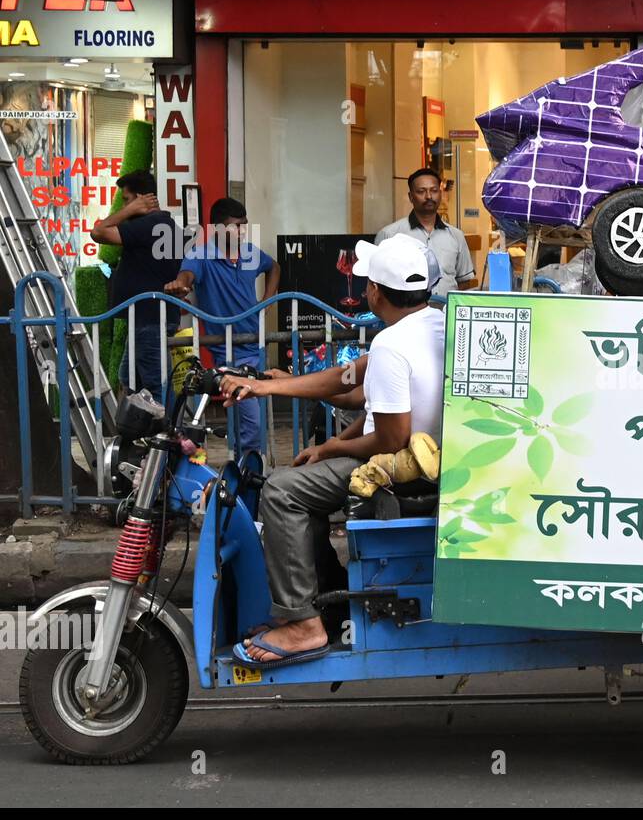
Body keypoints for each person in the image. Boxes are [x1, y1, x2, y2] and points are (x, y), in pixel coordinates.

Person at [219, 234, 445, 666]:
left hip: (397, 466)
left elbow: (392, 438)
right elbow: (347, 382)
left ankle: (303, 624)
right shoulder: (431, 325)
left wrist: (332, 447)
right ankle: (329, 599)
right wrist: (271, 386)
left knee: (282, 491)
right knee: (302, 484)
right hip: (418, 456)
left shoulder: (392, 345)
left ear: (375, 292)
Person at [164, 198, 280, 458]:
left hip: (255, 345)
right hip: (228, 353)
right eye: (234, 227)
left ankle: (244, 477)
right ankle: (247, 480)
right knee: (250, 426)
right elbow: (187, 276)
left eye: (244, 226)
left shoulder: (250, 252)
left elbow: (274, 267)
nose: (241, 232)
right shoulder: (201, 256)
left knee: (247, 425)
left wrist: (267, 302)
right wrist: (180, 285)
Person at [90, 170, 182, 405]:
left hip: (148, 318)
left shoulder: (148, 223)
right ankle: (143, 431)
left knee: (155, 383)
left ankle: (168, 435)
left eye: (126, 199)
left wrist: (129, 211)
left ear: (142, 198)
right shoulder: (166, 224)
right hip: (150, 317)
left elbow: (98, 232)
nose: (124, 205)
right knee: (130, 377)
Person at [375, 167, 477, 300]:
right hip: (407, 317)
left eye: (434, 191)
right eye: (421, 191)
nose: (429, 196)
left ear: (440, 193)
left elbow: (464, 281)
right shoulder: (389, 235)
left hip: (445, 315)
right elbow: (377, 284)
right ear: (411, 197)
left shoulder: (456, 236)